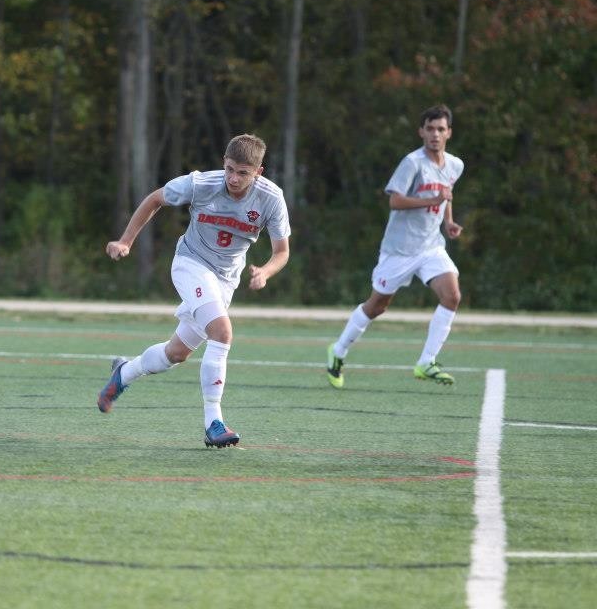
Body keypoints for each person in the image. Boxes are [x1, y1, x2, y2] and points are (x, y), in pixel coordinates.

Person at [97, 134, 290, 447]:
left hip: (226, 279)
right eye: (229, 169)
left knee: (176, 354)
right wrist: (126, 241)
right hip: (191, 264)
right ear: (223, 163)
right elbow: (155, 199)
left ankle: (123, 373)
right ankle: (213, 422)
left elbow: (282, 251)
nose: (233, 178)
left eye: (243, 172)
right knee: (222, 332)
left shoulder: (271, 198)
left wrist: (266, 271)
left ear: (259, 172)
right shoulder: (201, 183)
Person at [326, 104, 464, 389]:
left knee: (452, 296)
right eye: (430, 129)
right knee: (377, 306)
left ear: (449, 133)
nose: (435, 134)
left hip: (431, 247)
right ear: (421, 132)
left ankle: (427, 361)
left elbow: (446, 195)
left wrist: (448, 221)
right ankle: (338, 351)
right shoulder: (412, 163)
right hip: (399, 250)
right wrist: (433, 202)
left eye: (441, 129)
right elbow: (395, 201)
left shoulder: (455, 164)